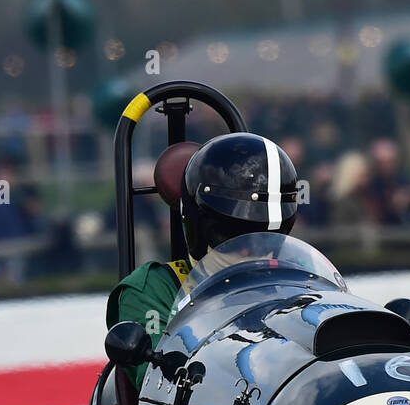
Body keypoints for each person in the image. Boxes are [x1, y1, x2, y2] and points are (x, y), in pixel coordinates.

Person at [106, 132, 300, 390]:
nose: (249, 250)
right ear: (198, 223)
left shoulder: (297, 277)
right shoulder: (155, 287)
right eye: (233, 231)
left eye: (265, 236)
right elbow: (157, 386)